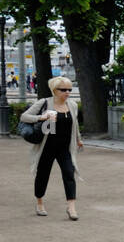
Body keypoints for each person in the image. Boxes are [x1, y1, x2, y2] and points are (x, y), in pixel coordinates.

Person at [21, 77, 85, 219]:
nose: (67, 92)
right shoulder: (45, 102)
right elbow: (24, 117)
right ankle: (39, 202)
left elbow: (75, 125)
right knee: (42, 175)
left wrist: (78, 140)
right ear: (55, 90)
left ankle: (71, 207)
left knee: (69, 173)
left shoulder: (72, 105)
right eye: (63, 90)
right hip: (47, 146)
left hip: (64, 147)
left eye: (69, 89)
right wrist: (42, 118)